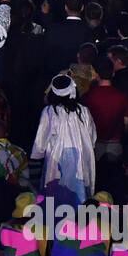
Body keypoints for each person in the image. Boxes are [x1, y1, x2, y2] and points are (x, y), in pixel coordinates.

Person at [30, 73, 97, 203]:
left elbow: (41, 139)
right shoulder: (83, 111)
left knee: (57, 191)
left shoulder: (49, 111)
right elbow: (91, 136)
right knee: (78, 190)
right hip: (79, 157)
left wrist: (37, 155)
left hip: (56, 158)